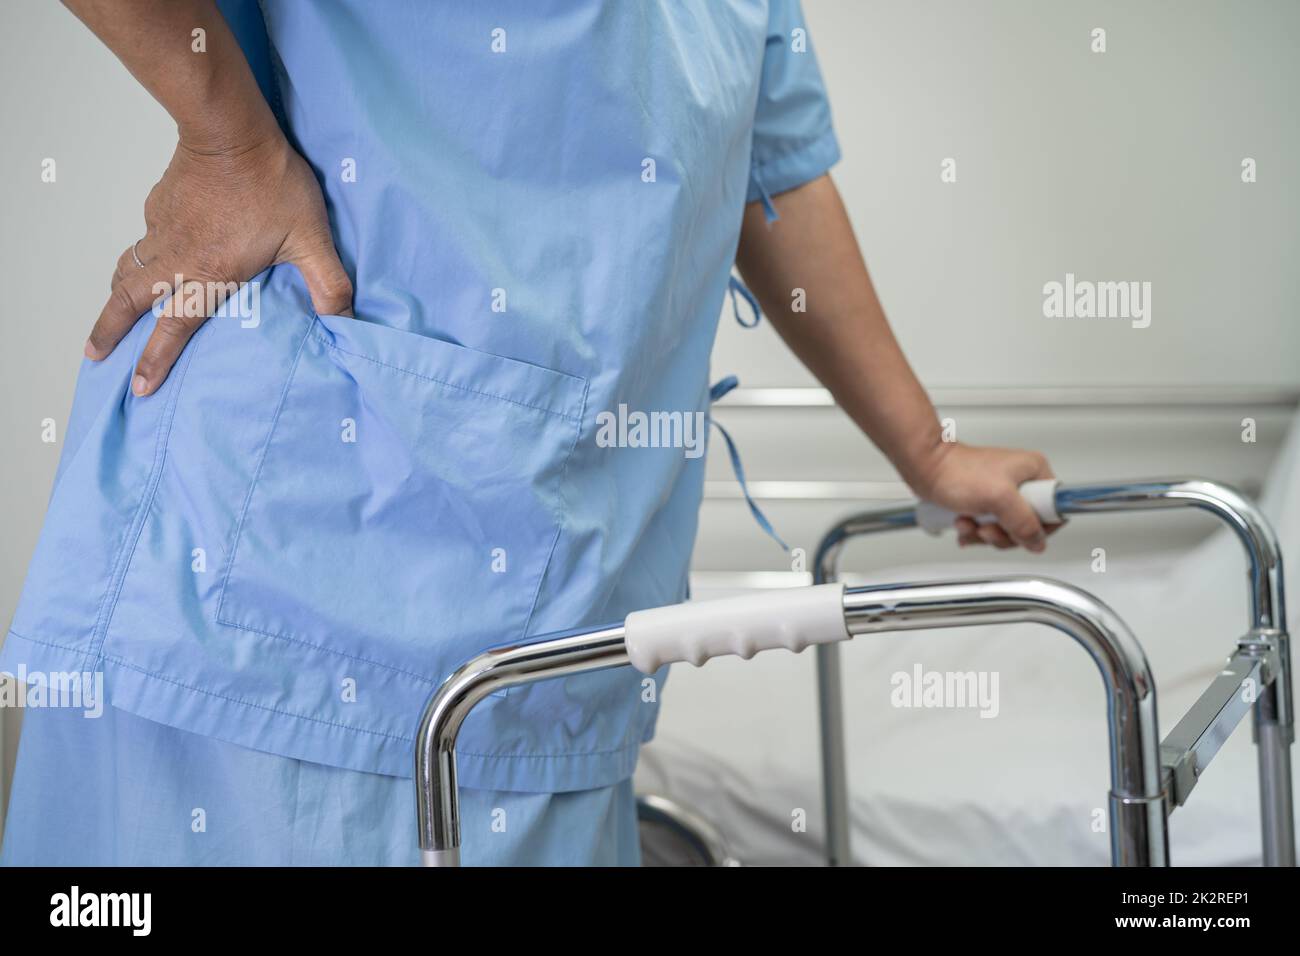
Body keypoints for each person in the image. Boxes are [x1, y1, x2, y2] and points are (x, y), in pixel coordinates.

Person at [0, 0, 1055, 866]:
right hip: (272, 597)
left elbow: (769, 173)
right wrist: (227, 140)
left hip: (563, 651)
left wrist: (923, 450)